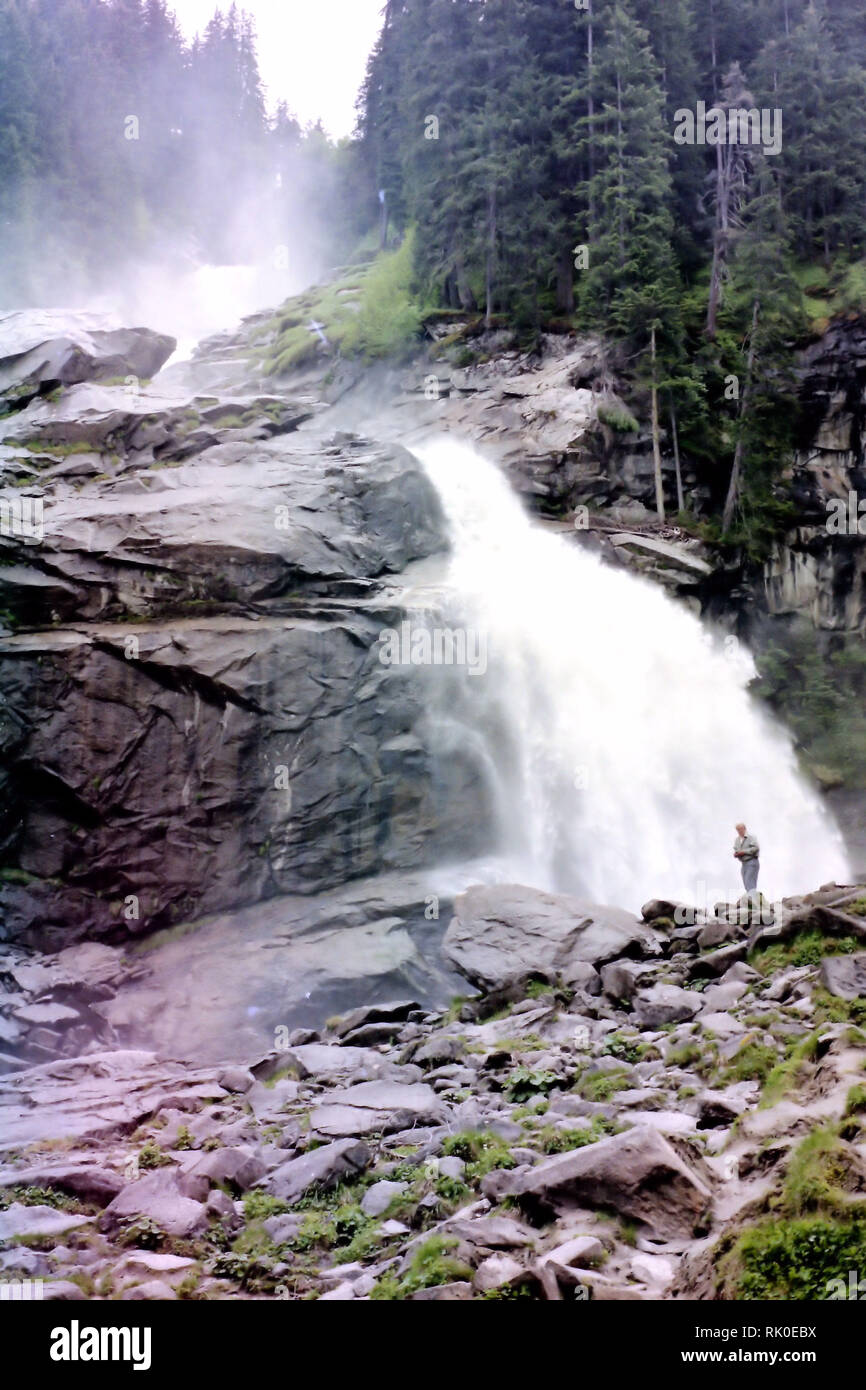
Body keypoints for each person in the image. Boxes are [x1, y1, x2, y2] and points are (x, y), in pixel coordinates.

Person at [733, 822, 760, 895]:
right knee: (746, 882)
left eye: (740, 829)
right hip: (743, 863)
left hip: (752, 861)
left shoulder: (751, 837)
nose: (739, 831)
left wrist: (744, 852)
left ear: (744, 829)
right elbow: (736, 849)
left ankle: (753, 901)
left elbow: (756, 848)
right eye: (737, 830)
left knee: (749, 881)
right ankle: (751, 900)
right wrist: (736, 854)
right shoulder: (737, 840)